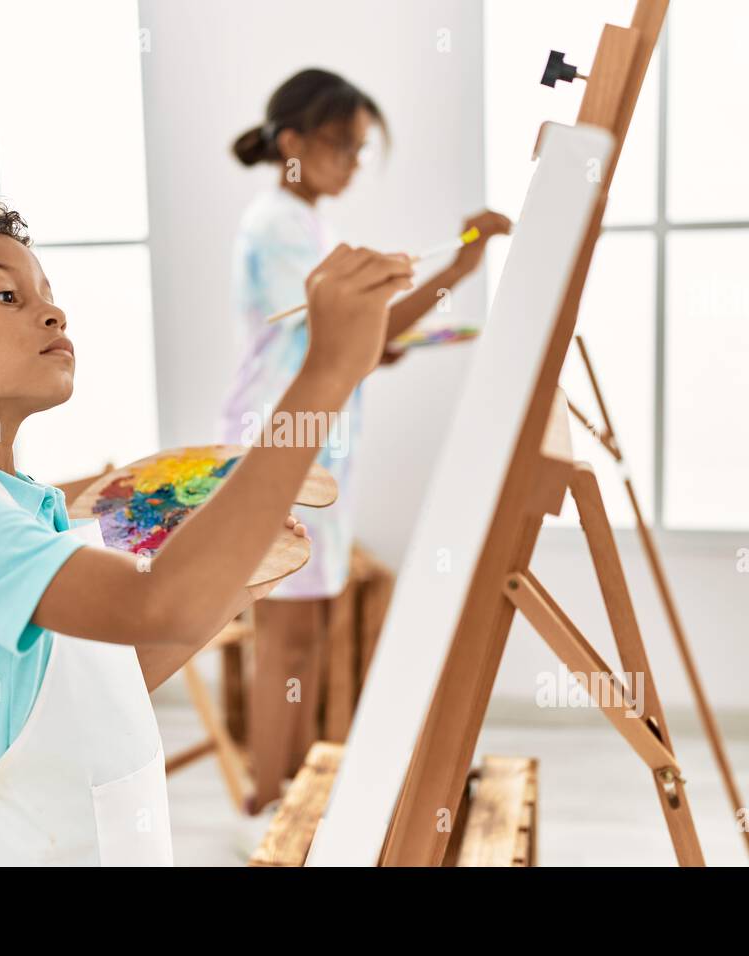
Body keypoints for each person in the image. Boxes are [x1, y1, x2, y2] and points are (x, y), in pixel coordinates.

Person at [0, 194, 413, 865]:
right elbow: (155, 602)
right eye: (4, 296)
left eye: (47, 293)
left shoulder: (19, 505)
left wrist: (234, 587)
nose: (53, 311)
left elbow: (100, 681)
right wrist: (327, 370)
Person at [222, 69, 511, 807]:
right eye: (341, 146)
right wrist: (464, 263)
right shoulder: (276, 224)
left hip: (316, 440)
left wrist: (384, 339)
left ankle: (288, 787)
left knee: (309, 623)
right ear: (292, 144)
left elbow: (356, 342)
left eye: (359, 150)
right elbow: (354, 331)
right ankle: (269, 795)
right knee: (287, 627)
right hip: (283, 440)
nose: (353, 162)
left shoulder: (308, 224)